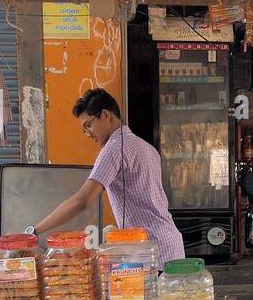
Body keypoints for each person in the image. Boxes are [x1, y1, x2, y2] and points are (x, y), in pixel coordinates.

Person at [26, 88, 185, 269]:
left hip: (151, 251)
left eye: (88, 125)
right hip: (170, 245)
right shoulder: (146, 147)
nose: (88, 134)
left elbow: (82, 201)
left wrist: (34, 230)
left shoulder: (114, 148)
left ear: (105, 115)